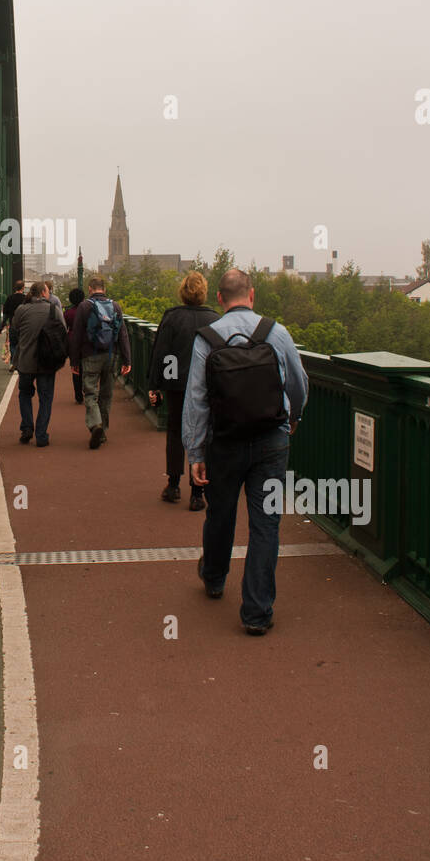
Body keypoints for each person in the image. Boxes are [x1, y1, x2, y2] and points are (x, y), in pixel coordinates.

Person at [183, 269, 309, 635]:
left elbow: (196, 399)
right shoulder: (277, 332)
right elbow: (299, 383)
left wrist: (195, 452)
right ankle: (256, 612)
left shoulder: (206, 339)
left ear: (219, 299)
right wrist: (293, 416)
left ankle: (215, 577)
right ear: (251, 295)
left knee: (221, 513)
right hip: (271, 440)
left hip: (224, 443)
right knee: (266, 524)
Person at [147, 271, 219, 510]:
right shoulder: (215, 319)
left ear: (183, 292)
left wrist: (158, 384)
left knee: (176, 430)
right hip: (206, 385)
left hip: (178, 384)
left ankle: (174, 484)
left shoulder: (172, 317)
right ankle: (198, 492)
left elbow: (163, 353)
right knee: (204, 433)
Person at [69, 277, 131, 449]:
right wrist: (127, 359)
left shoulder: (84, 306)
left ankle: (95, 424)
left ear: (90, 289)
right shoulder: (116, 306)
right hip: (111, 355)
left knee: (90, 393)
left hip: (89, 356)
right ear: (104, 289)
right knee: (106, 395)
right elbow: (123, 334)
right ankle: (102, 431)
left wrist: (74, 361)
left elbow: (77, 335)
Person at [13, 282, 62, 447]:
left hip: (25, 361)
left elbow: (15, 327)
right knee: (46, 398)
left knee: (25, 394)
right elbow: (62, 329)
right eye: (48, 291)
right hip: (46, 362)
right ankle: (41, 435)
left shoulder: (22, 309)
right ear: (42, 293)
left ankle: (27, 427)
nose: (49, 294)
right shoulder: (53, 310)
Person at [0, 279, 28, 369]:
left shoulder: (10, 298)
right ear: (23, 288)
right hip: (23, 325)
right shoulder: (26, 299)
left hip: (13, 325)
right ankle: (21, 363)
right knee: (23, 344)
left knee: (13, 344)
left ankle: (12, 362)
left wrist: (0, 328)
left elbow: (6, 315)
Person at [64, 288, 85, 404]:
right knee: (87, 367)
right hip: (86, 341)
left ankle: (78, 394)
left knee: (75, 368)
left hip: (72, 341)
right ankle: (88, 390)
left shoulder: (68, 313)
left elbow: (64, 328)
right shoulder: (87, 310)